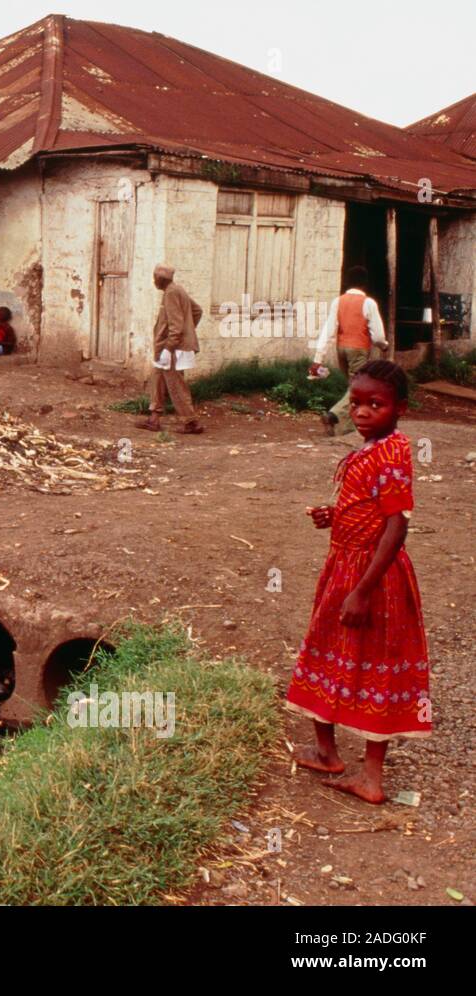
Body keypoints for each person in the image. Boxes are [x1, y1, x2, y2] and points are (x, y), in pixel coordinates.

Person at [286, 360, 428, 804]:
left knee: (375, 666)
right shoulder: (369, 449)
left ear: (400, 408)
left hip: (372, 578)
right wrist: (336, 519)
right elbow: (369, 511)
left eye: (376, 405)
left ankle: (371, 778)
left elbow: (396, 527)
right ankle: (327, 752)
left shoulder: (393, 454)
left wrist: (363, 590)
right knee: (326, 650)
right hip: (344, 568)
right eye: (357, 403)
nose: (362, 412)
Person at [312, 265, 387, 436]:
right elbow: (378, 336)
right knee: (358, 388)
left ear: (347, 282)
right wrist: (384, 345)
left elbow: (329, 329)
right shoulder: (368, 303)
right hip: (358, 350)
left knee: (352, 387)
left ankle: (345, 428)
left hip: (341, 349)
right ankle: (334, 415)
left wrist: (319, 357)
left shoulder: (338, 301)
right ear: (365, 284)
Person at [135, 263, 203, 434]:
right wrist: (188, 331)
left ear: (160, 279)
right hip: (168, 347)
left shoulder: (171, 293)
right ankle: (154, 418)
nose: (153, 281)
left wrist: (170, 346)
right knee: (158, 379)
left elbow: (176, 325)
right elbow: (197, 311)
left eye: (154, 277)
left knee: (175, 384)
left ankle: (191, 423)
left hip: (171, 348)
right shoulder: (176, 290)